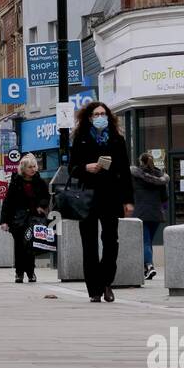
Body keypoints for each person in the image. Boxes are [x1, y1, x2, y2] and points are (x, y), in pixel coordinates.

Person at [68, 101, 135, 303]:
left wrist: (128, 200)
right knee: (89, 244)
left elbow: (125, 172)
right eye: (96, 114)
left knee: (111, 241)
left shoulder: (117, 140)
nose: (100, 117)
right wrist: (86, 167)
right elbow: (72, 168)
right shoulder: (80, 139)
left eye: (103, 113)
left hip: (110, 196)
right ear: (89, 117)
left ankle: (107, 283)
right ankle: (94, 289)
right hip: (87, 197)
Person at [1, 154, 49, 284]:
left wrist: (41, 206)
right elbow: (8, 202)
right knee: (19, 247)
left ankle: (30, 272)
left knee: (30, 246)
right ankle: (19, 273)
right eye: (30, 167)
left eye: (34, 166)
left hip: (33, 219)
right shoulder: (16, 182)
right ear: (23, 168)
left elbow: (46, 196)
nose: (33, 169)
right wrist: (4, 221)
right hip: (18, 220)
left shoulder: (39, 181)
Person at [130, 153, 169, 282]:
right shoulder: (160, 177)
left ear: (141, 161)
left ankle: (149, 266)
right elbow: (164, 197)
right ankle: (146, 268)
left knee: (145, 241)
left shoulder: (136, 176)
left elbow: (130, 193)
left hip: (141, 213)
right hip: (156, 213)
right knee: (148, 241)